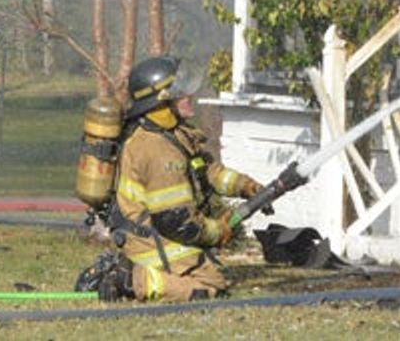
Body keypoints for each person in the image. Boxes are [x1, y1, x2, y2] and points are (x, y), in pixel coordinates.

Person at [81, 56, 265, 303]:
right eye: (180, 92)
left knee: (211, 275)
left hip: (154, 231)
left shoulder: (174, 133)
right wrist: (217, 231)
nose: (189, 95)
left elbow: (207, 170)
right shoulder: (157, 149)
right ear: (161, 100)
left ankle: (129, 273)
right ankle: (128, 279)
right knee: (210, 285)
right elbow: (178, 222)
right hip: (147, 239)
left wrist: (245, 186)